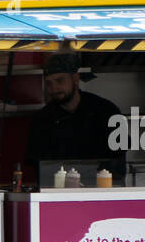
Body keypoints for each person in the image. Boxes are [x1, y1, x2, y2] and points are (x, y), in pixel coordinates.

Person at [25, 52, 124, 182]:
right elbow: (37, 165)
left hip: (101, 191)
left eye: (60, 80)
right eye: (49, 83)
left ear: (75, 79)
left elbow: (119, 161)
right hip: (58, 194)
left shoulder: (105, 111)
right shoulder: (42, 120)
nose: (54, 88)